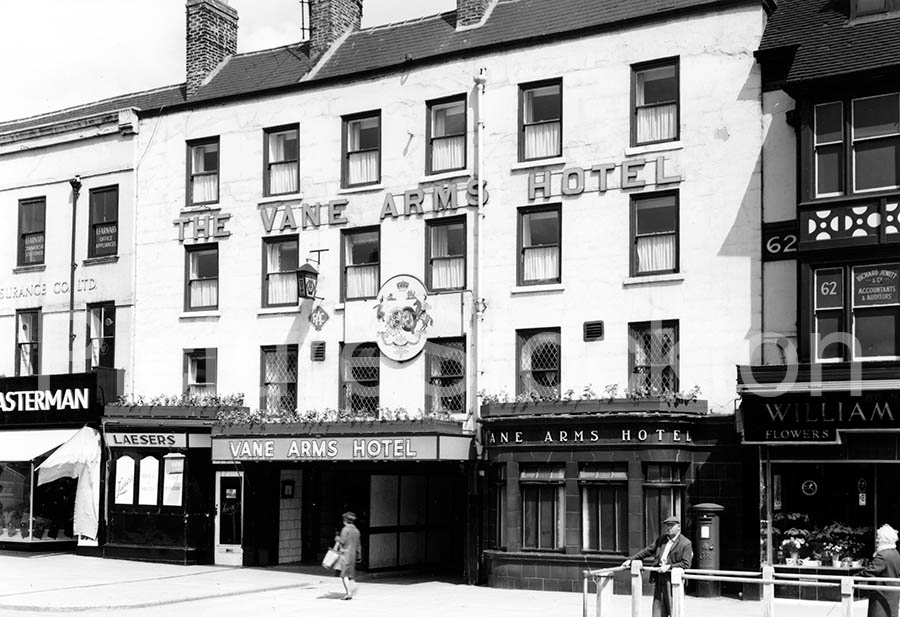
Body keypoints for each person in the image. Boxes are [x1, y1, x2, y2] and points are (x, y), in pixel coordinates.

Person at [623, 515, 693, 617]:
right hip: (659, 577)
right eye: (668, 525)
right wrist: (631, 559)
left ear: (678, 527)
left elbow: (686, 564)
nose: (669, 528)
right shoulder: (661, 539)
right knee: (658, 609)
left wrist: (670, 566)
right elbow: (647, 551)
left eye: (672, 525)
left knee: (673, 608)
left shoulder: (685, 543)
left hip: (672, 578)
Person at [862, 524, 900, 617]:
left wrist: (852, 577)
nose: (876, 540)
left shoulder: (883, 555)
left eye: (878, 538)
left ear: (884, 539)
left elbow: (870, 571)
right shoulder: (895, 553)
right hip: (892, 594)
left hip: (881, 596)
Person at [335, 511, 361, 600]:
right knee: (350, 574)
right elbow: (358, 545)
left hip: (345, 554)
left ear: (345, 520)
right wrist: (359, 556)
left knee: (344, 574)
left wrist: (337, 538)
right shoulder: (357, 531)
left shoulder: (345, 529)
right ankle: (353, 587)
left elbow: (342, 541)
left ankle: (348, 592)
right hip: (353, 554)